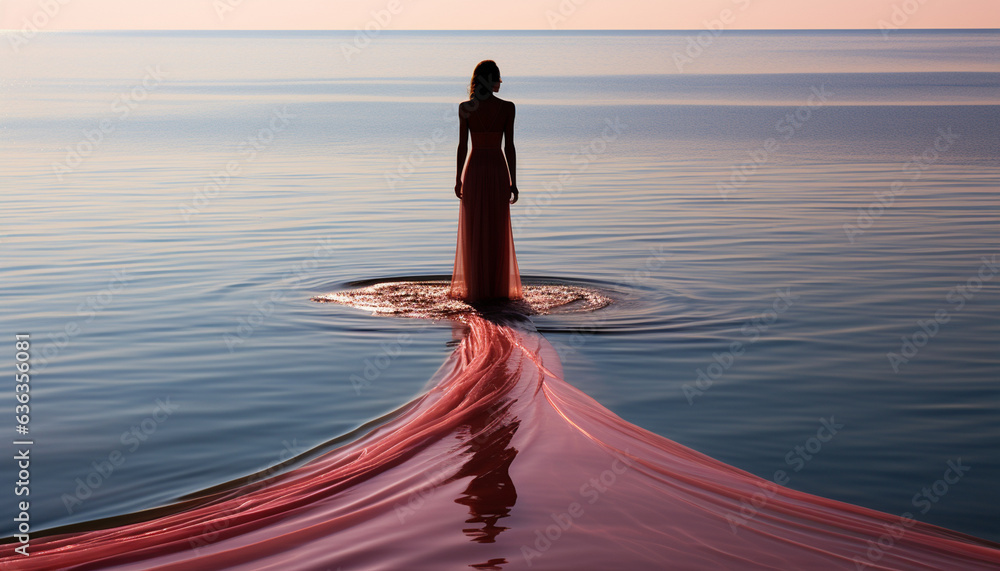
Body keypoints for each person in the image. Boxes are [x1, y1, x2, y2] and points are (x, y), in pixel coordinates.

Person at [448, 60, 523, 302]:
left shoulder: (465, 108)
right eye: (497, 78)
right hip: (498, 169)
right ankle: (497, 290)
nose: (499, 83)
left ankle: (476, 290)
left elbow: (463, 146)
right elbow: (509, 146)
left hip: (475, 168)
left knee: (475, 230)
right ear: (490, 81)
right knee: (496, 230)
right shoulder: (508, 108)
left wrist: (458, 178)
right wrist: (513, 181)